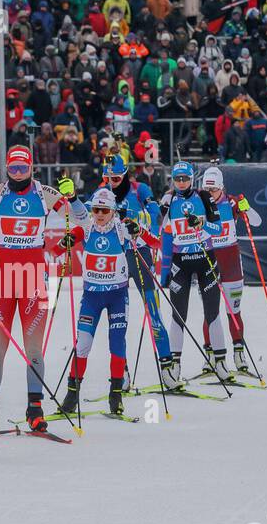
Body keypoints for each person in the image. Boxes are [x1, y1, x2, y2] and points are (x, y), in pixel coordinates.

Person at [0, 145, 86, 432]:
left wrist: (73, 196)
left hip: (34, 278)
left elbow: (82, 219)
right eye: (13, 168)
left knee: (34, 350)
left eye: (23, 168)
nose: (18, 173)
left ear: (32, 167)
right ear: (7, 168)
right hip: (3, 278)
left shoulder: (45, 194)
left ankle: (35, 407)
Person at [56, 187, 157, 417]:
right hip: (92, 296)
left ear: (113, 211)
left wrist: (139, 230)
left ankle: (116, 396)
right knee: (82, 344)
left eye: (104, 210)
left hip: (117, 296)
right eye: (96, 209)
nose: (99, 214)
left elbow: (155, 243)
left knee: (117, 344)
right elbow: (57, 247)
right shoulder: (87, 228)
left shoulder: (122, 229)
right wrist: (66, 242)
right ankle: (71, 397)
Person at [102, 156, 169, 386]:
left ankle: (168, 367)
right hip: (116, 258)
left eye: (116, 177)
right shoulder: (102, 193)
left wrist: (140, 225)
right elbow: (89, 219)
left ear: (125, 174)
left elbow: (156, 217)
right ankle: (122, 372)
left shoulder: (140, 189)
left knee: (154, 313)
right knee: (119, 320)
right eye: (108, 178)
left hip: (139, 255)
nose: (112, 182)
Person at [158, 162, 226, 388]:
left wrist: (202, 223)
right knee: (178, 315)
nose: (181, 183)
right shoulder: (169, 201)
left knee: (213, 312)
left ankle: (220, 362)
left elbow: (219, 229)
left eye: (185, 179)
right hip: (181, 263)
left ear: (191, 179)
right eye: (177, 180)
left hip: (205, 258)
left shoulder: (204, 197)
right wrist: (164, 271)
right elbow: (165, 237)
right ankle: (175, 366)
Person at [200, 166, 262, 377]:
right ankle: (210, 357)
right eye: (207, 190)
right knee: (210, 312)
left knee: (233, 310)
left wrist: (246, 208)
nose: (211, 195)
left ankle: (238, 354)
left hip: (231, 262)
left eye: (214, 190)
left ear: (222, 188)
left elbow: (257, 221)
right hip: (208, 261)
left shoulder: (232, 202)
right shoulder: (199, 204)